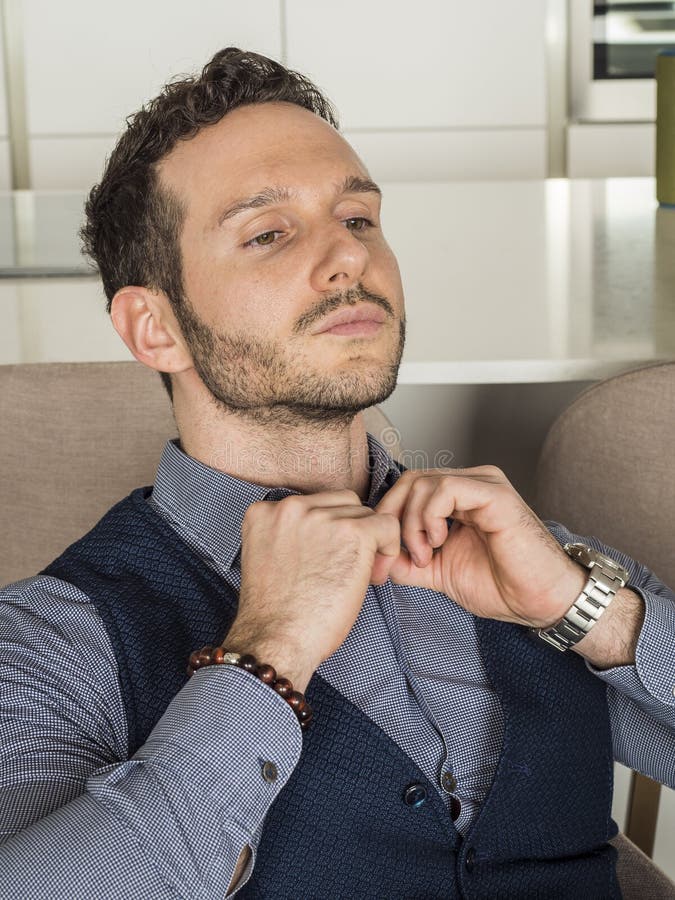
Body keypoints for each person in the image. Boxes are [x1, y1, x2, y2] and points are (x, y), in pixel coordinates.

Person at [0, 47, 673, 899]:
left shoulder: (529, 564)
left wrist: (591, 614)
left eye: (357, 219)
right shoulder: (50, 643)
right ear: (154, 328)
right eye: (268, 233)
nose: (347, 259)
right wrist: (264, 656)